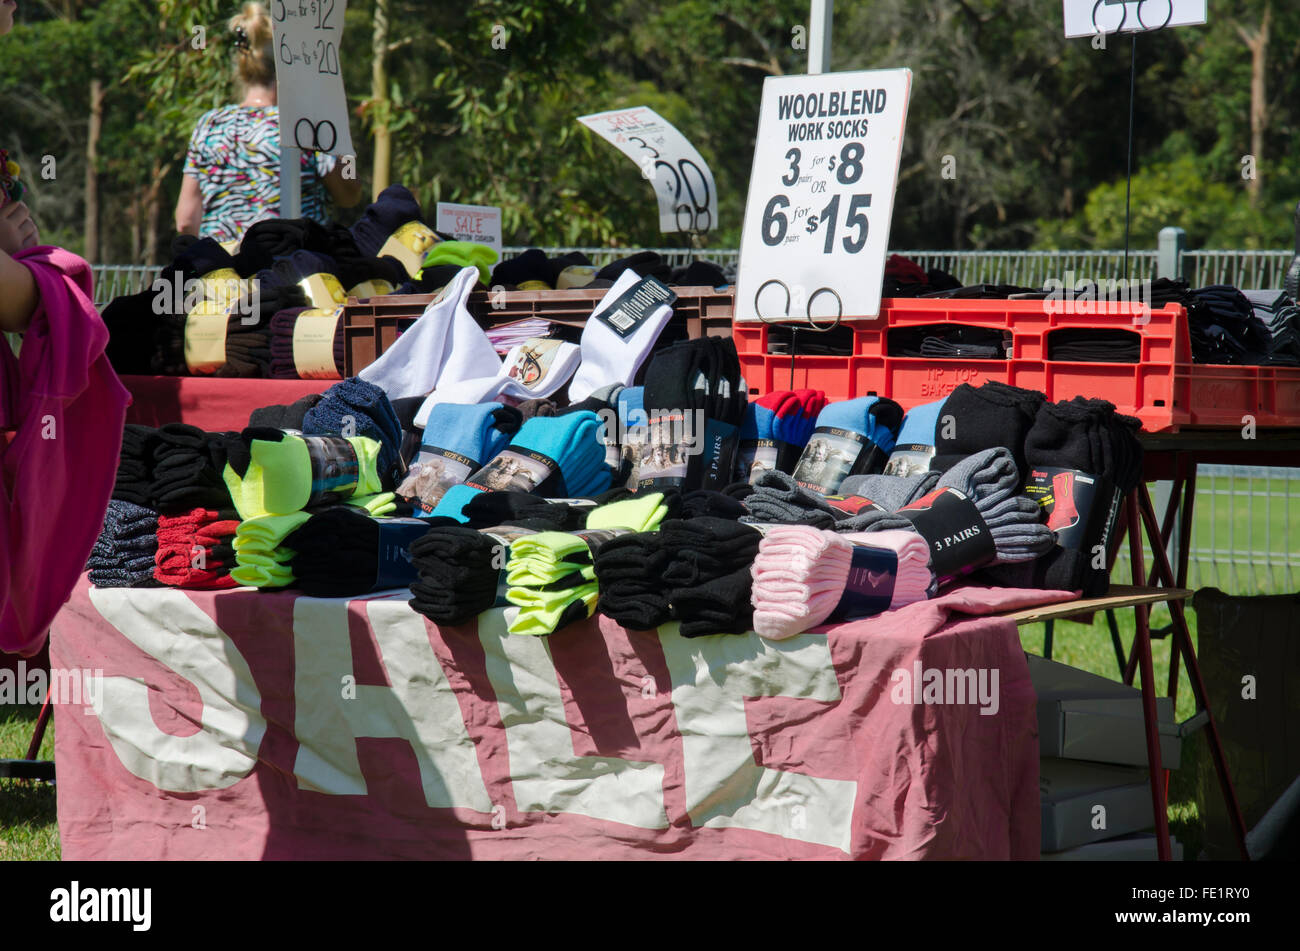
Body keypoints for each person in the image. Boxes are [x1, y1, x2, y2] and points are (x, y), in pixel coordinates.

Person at [173, 2, 361, 245]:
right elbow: (350, 192)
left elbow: (186, 221)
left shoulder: (209, 125)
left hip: (223, 273)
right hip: (291, 271)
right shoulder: (304, 124)